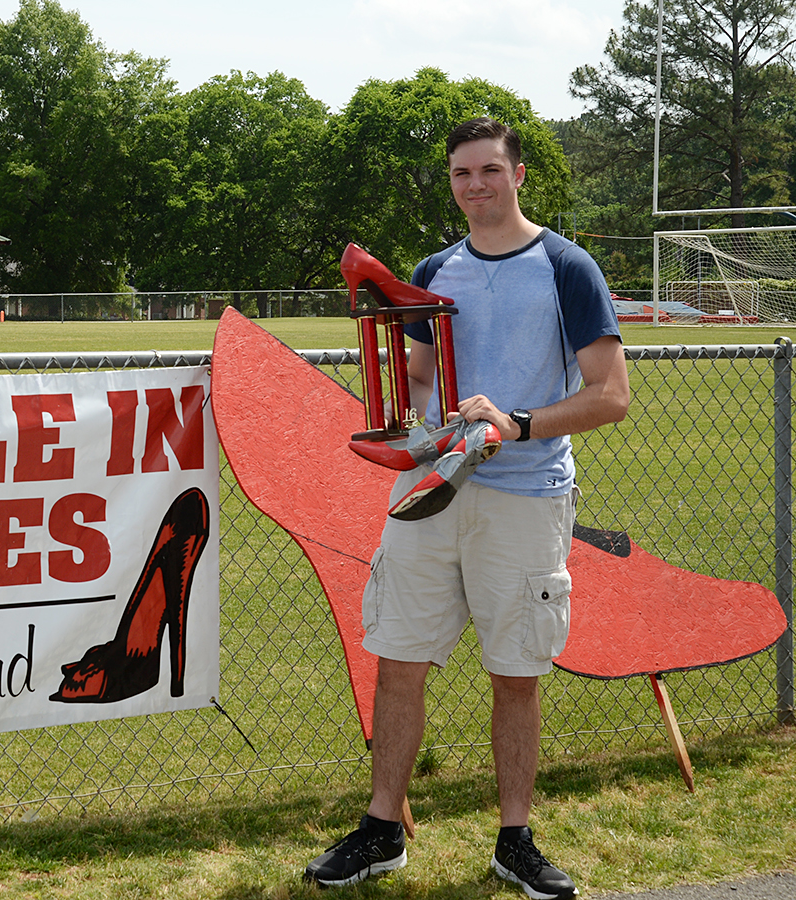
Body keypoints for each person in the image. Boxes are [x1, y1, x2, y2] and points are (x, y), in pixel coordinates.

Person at [304, 117, 630, 899]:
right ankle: (381, 831)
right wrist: (409, 429)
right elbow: (418, 380)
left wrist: (514, 424)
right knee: (398, 661)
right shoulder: (433, 269)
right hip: (428, 496)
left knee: (514, 673)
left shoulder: (564, 266)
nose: (474, 185)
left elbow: (610, 397)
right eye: (460, 174)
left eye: (488, 170)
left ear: (518, 175)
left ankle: (513, 840)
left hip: (524, 497)